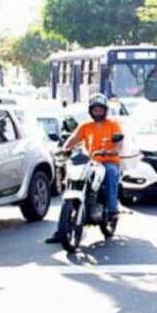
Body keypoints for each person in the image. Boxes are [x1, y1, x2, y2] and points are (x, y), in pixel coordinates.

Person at [45, 94, 123, 244]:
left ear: (105, 110)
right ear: (91, 111)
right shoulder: (86, 126)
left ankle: (112, 210)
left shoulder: (113, 124)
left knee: (111, 173)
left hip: (108, 161)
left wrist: (113, 150)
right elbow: (74, 138)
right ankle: (62, 228)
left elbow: (119, 141)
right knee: (74, 180)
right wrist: (64, 148)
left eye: (100, 110)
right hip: (90, 162)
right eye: (95, 110)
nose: (98, 112)